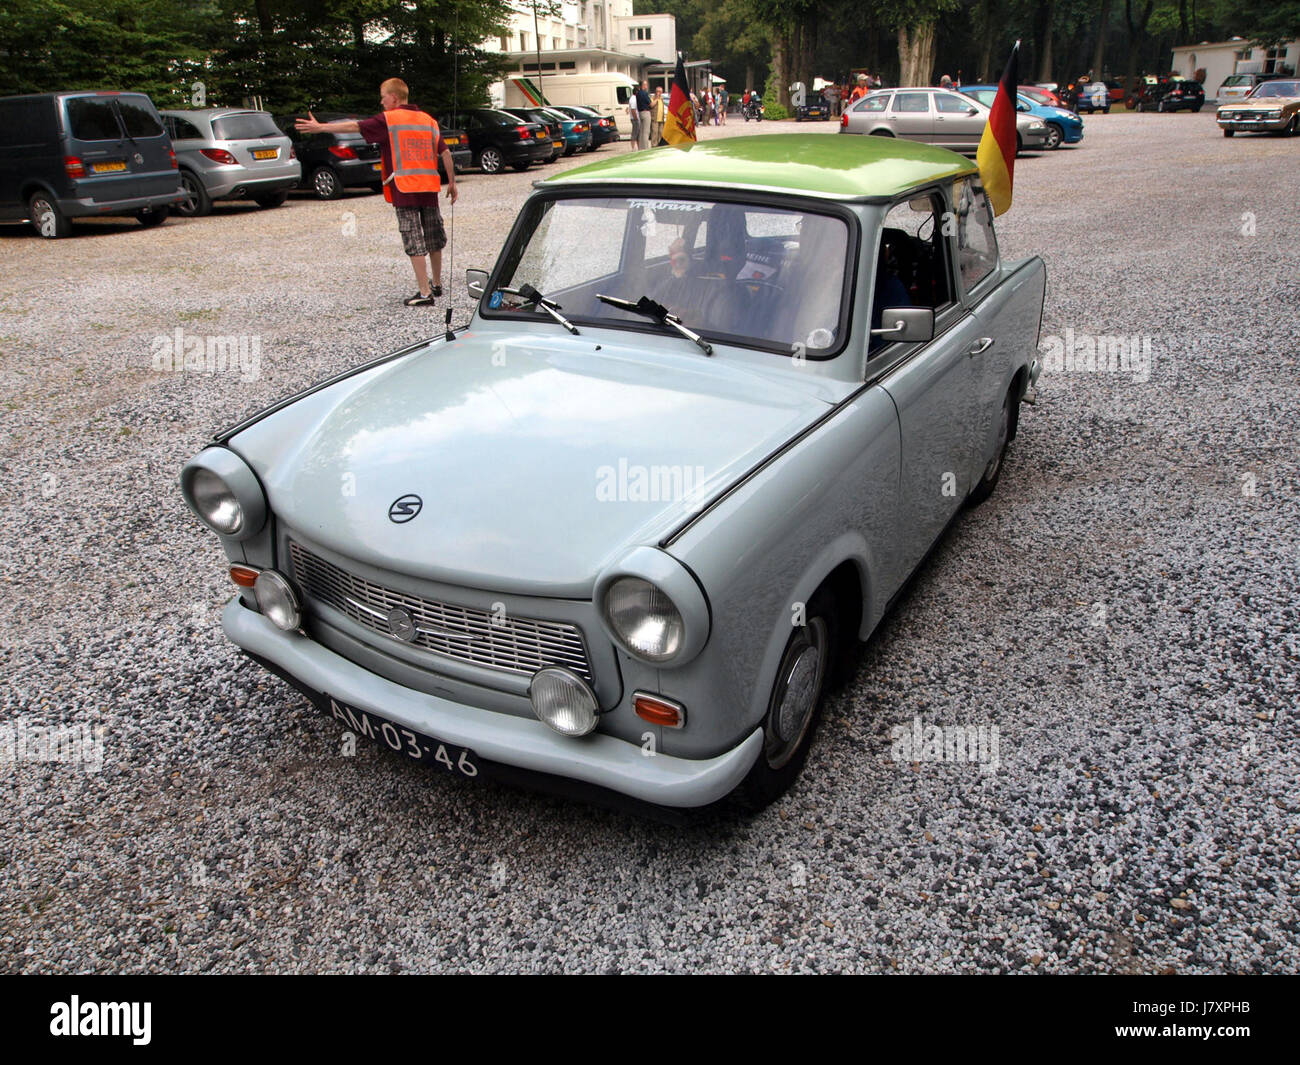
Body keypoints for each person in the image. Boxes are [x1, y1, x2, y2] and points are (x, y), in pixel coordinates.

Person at [296, 78, 457, 307]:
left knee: (413, 237)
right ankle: (437, 284)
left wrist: (321, 127)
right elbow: (446, 153)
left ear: (394, 98)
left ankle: (423, 293)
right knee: (434, 236)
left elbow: (355, 126)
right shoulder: (428, 121)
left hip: (404, 187)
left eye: (383, 97)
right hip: (429, 187)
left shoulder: (389, 119)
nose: (381, 102)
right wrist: (451, 182)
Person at [635, 80, 653, 150]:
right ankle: (645, 147)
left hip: (640, 112)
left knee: (642, 131)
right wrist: (656, 99)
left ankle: (641, 147)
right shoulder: (644, 94)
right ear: (643, 85)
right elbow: (651, 104)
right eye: (646, 85)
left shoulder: (638, 93)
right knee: (646, 131)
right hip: (646, 112)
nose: (647, 86)